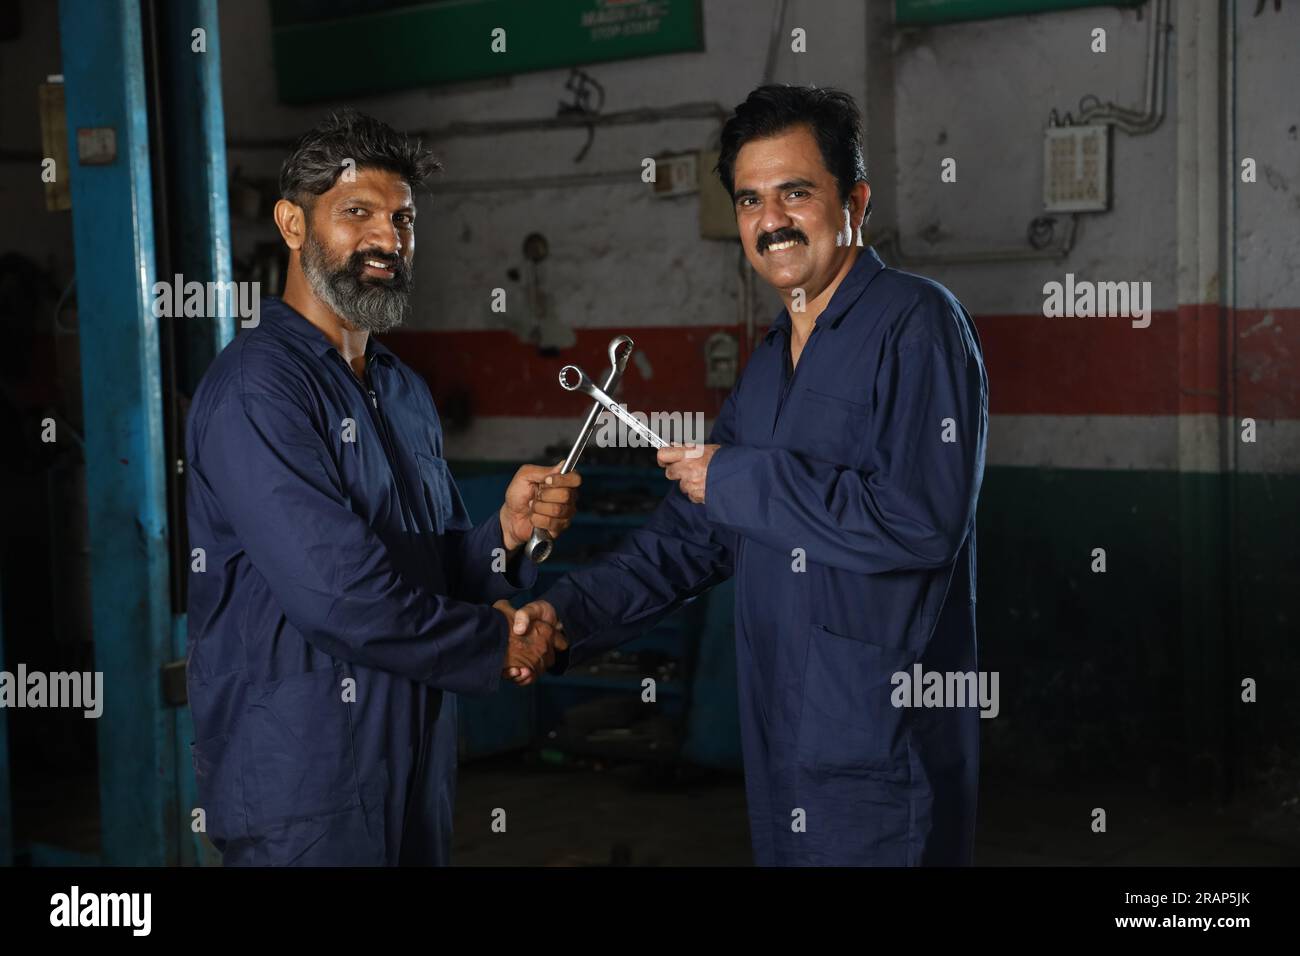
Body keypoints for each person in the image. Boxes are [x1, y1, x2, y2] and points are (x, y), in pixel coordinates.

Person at [509, 85, 989, 865]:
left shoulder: (917, 323)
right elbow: (693, 537)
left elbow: (919, 523)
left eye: (795, 193)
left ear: (855, 202)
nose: (772, 221)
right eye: (750, 200)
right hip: (780, 736)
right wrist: (567, 616)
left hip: (880, 743)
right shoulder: (770, 362)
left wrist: (734, 479)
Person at [185, 109, 573, 865]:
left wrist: (504, 535)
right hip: (301, 779)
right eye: (356, 212)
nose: (387, 239)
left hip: (413, 757)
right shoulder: (257, 391)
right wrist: (497, 640)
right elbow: (341, 595)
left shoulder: (399, 390)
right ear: (293, 224)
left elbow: (434, 570)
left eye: (403, 218)